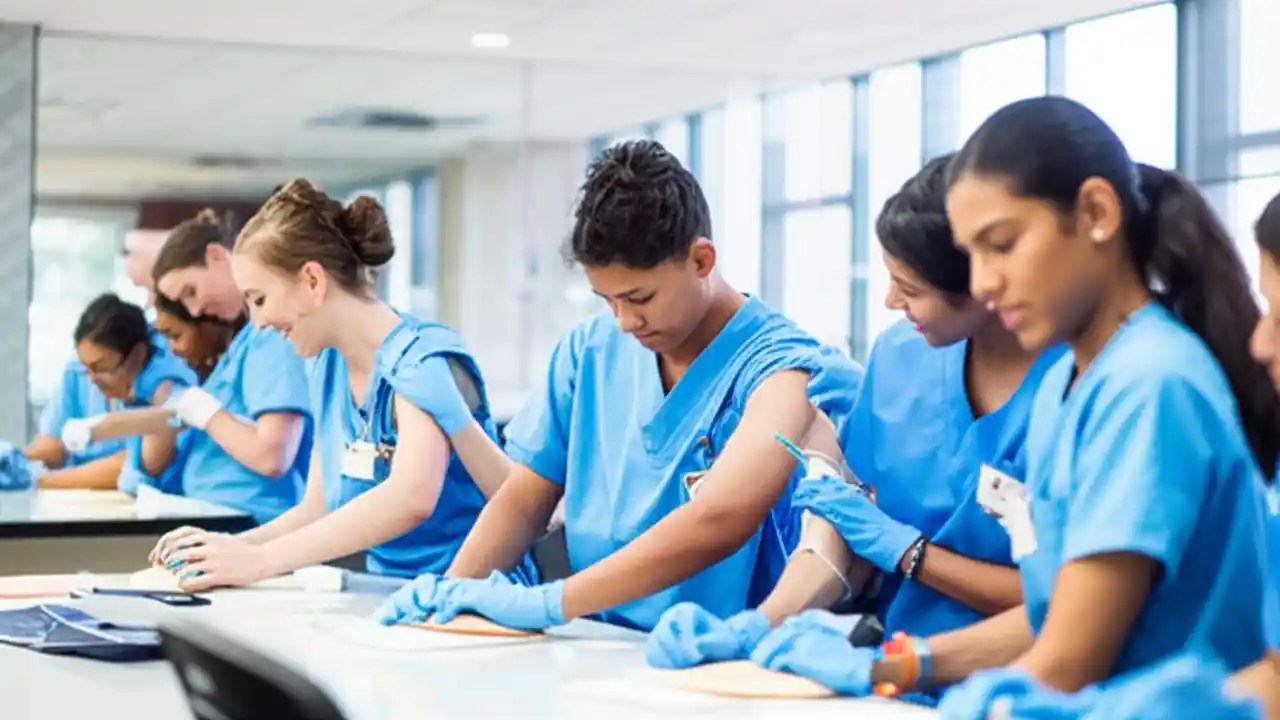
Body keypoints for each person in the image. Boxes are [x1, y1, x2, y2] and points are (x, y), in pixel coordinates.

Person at [878, 95, 1278, 715]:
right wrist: (904, 663)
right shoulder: (1069, 378)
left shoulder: (1151, 385)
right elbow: (1057, 613)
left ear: (1096, 212)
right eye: (972, 255)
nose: (982, 282)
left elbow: (1070, 660)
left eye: (1002, 245)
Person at [376, 139, 862, 632]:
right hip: (596, 638)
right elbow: (524, 501)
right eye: (606, 300)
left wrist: (550, 603)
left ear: (701, 260)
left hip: (715, 650)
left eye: (640, 297)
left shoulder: (782, 368)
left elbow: (721, 517)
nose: (625, 321)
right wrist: (453, 595)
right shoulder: (589, 352)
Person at [646, 155, 1063, 699]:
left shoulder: (1076, 386)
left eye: (909, 289)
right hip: (894, 678)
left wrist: (912, 555)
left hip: (1024, 688)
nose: (892, 303)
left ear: (982, 283)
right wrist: (761, 622)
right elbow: (853, 528)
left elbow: (1068, 601)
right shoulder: (901, 356)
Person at [149, 179, 524, 590]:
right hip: (393, 591)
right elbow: (319, 505)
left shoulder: (420, 357)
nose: (257, 322)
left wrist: (258, 561)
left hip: (475, 595)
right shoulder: (325, 364)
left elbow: (410, 499)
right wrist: (227, 550)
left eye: (259, 299)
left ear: (312, 281)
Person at [138, 210, 312, 525]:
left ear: (217, 256)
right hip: (221, 522)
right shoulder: (244, 344)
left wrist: (207, 413)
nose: (195, 309)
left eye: (191, 292)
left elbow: (273, 456)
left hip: (255, 524)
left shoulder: (271, 337)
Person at [37, 294, 195, 491]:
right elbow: (52, 444)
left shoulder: (165, 383)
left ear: (137, 354)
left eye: (101, 368)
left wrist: (42, 482)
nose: (92, 379)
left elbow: (149, 463)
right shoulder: (78, 373)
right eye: (87, 368)